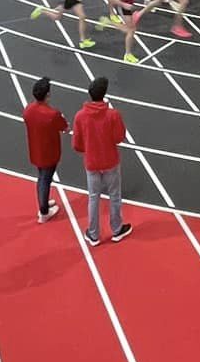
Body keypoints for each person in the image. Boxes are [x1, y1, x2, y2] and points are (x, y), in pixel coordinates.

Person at [73, 76, 132, 245]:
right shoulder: (113, 115)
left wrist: (90, 149)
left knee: (93, 197)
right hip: (110, 161)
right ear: (104, 94)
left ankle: (93, 234)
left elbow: (77, 144)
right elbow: (119, 137)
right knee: (114, 196)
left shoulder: (80, 116)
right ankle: (117, 229)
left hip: (92, 162)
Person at [24, 78, 68, 222]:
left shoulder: (28, 110)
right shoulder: (52, 114)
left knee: (41, 177)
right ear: (47, 95)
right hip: (49, 153)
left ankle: (44, 203)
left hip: (35, 150)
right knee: (45, 180)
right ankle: (44, 212)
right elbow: (64, 127)